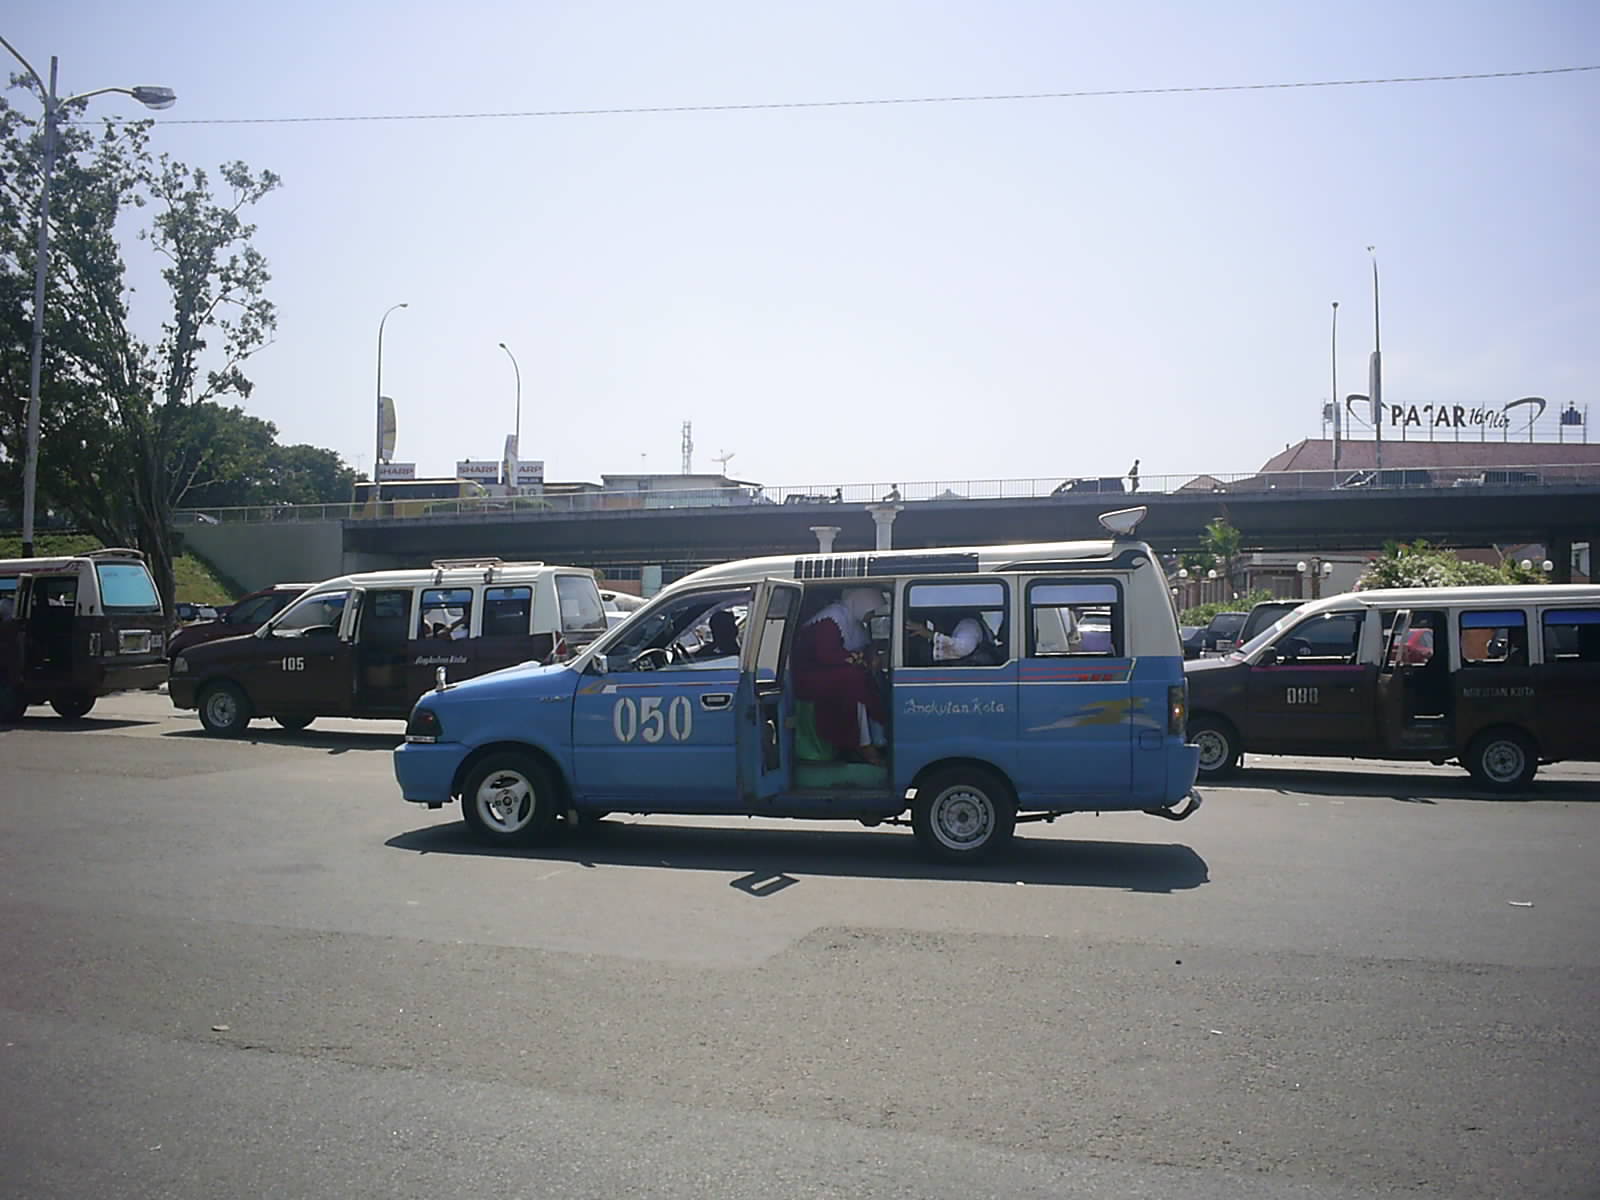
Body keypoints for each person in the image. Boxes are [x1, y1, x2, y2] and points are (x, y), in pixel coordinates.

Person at [792, 587, 888, 764]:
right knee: (855, 681)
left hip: (832, 671)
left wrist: (870, 657)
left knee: (870, 676)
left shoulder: (853, 619)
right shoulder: (831, 619)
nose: (872, 615)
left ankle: (878, 737)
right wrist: (855, 659)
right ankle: (863, 744)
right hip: (811, 676)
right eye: (871, 610)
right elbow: (825, 654)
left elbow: (863, 647)